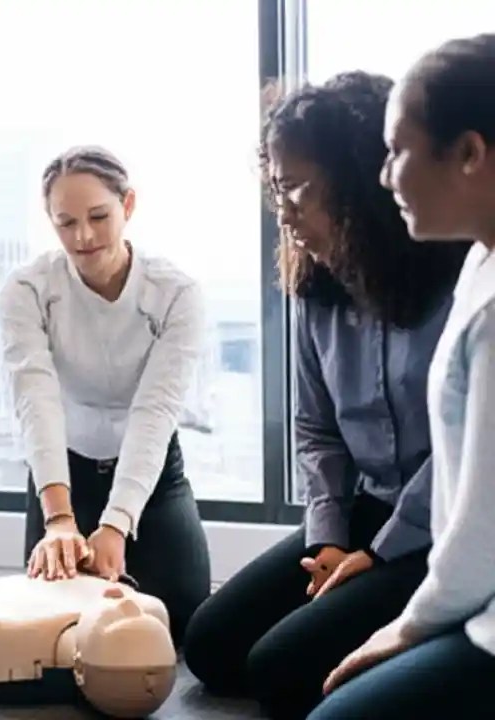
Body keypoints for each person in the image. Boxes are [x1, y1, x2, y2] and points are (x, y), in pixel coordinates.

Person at [179, 70, 469, 719]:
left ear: (366, 180)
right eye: (275, 190)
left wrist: (379, 553)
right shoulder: (317, 287)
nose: (283, 214)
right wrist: (331, 540)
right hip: (364, 511)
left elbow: (458, 449)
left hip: (440, 525)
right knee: (210, 645)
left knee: (279, 671)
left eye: (300, 190)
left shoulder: (458, 279)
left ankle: (430, 631)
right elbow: (318, 432)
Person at [311, 33, 495, 719]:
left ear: (470, 154)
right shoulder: (480, 262)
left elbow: (480, 528)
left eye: (398, 151)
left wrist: (405, 628)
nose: (386, 177)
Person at [1, 145, 212, 647]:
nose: (84, 236)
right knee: (53, 627)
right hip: (63, 470)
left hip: (150, 470)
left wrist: (117, 524)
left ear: (128, 206)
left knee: (181, 621)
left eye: (99, 216)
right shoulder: (27, 288)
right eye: (66, 222)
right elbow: (37, 400)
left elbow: (155, 411)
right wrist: (58, 519)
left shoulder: (176, 293)